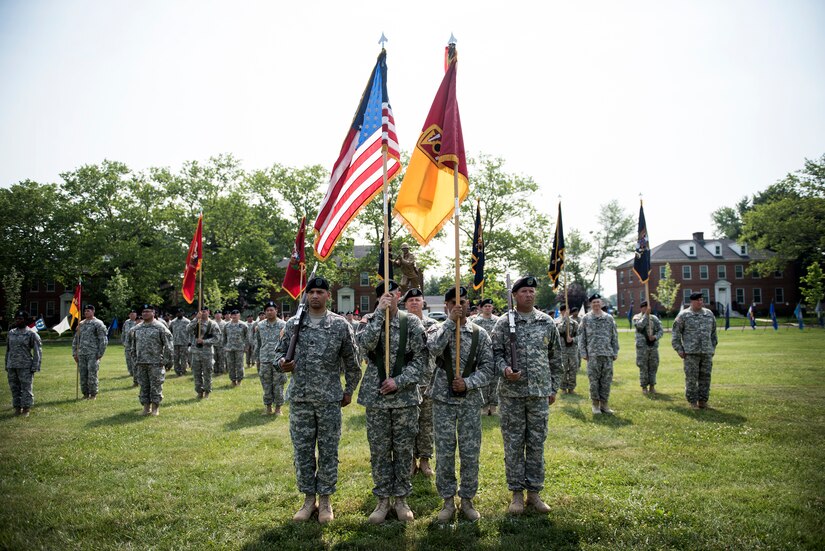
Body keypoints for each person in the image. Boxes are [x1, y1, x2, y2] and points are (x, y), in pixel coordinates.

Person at [275, 277, 362, 524]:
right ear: (306, 296)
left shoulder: (340, 326)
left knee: (328, 451)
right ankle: (307, 499)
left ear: (328, 296)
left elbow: (353, 364)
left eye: (320, 292)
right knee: (302, 451)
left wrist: (349, 391)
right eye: (311, 291)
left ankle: (325, 501)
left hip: (328, 400)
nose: (315, 295)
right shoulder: (293, 324)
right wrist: (283, 364)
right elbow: (277, 355)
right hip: (301, 399)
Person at [356, 279, 427, 524]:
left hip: (404, 398)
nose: (390, 298)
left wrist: (400, 380)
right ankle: (382, 500)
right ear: (378, 298)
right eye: (384, 295)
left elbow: (421, 361)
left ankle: (401, 500)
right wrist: (378, 314)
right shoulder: (369, 321)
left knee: (404, 450)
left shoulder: (412, 322)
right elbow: (364, 345)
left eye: (393, 293)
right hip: (376, 398)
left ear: (399, 295)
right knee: (379, 451)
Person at [491, 275, 562, 515]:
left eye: (532, 291)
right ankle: (516, 495)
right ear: (515, 295)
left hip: (539, 393)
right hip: (512, 394)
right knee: (513, 444)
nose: (529, 295)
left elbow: (555, 357)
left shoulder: (546, 322)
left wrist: (553, 388)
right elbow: (495, 355)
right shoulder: (503, 323)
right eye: (523, 292)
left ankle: (534, 493)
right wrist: (505, 369)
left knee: (536, 443)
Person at [428, 286, 495, 522]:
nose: (459, 306)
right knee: (445, 452)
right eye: (454, 302)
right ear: (446, 305)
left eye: (463, 302)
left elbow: (489, 369)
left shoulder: (479, 334)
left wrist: (468, 383)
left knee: (469, 452)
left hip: (468, 401)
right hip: (443, 400)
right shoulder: (437, 329)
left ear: (469, 305)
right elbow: (433, 349)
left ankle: (467, 499)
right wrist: (449, 322)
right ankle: (447, 501)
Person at [402, 287, 439, 478]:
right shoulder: (400, 324)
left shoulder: (433, 324)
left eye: (417, 300)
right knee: (408, 424)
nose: (414, 303)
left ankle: (424, 460)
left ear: (423, 302)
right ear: (405, 304)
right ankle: (409, 462)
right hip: (407, 382)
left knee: (426, 423)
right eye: (411, 300)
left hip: (428, 381)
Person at [672, 292, 718, 409]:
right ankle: (693, 402)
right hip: (691, 353)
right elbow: (675, 335)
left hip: (706, 352)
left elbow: (713, 333)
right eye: (698, 300)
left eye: (701, 300)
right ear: (691, 301)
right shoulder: (683, 315)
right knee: (691, 378)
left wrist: (712, 348)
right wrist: (679, 349)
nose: (700, 302)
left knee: (705, 377)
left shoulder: (709, 314)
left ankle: (703, 401)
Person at [578, 294, 619, 415]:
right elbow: (581, 337)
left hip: (607, 354)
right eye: (594, 302)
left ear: (601, 303)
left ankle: (604, 405)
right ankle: (595, 405)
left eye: (598, 302)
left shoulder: (609, 318)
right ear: (590, 304)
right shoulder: (586, 318)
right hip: (593, 355)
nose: (596, 304)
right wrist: (583, 352)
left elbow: (614, 336)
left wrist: (615, 351)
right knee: (594, 381)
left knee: (606, 380)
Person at [128, 304, 172, 416]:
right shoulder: (137, 328)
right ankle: (146, 407)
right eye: (143, 312)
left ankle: (155, 408)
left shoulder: (160, 327)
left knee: (156, 386)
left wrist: (166, 361)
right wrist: (135, 360)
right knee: (144, 386)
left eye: (148, 311)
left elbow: (168, 346)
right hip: (141, 362)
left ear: (153, 313)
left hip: (156, 362)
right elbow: (132, 346)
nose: (145, 313)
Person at [4, 310, 42, 417]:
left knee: (26, 388)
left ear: (25, 320)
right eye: (17, 318)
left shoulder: (31, 333)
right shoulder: (11, 333)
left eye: (20, 319)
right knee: (14, 387)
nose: (18, 320)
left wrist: (35, 366)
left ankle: (26, 408)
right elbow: (8, 350)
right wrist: (6, 363)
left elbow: (37, 351)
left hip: (25, 366)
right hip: (12, 365)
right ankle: (17, 407)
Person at [255, 300, 287, 415]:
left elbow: (287, 343)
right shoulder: (260, 326)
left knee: (279, 384)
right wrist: (257, 359)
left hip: (279, 360)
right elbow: (257, 344)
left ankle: (278, 408)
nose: (269, 312)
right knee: (266, 383)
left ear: (276, 311)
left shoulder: (283, 325)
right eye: (267, 310)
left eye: (271, 310)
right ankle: (268, 407)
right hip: (264, 359)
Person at [71, 304, 108, 400]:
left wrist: (100, 353)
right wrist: (75, 353)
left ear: (93, 311)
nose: (86, 312)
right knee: (83, 374)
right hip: (82, 353)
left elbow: (103, 339)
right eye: (85, 311)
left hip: (93, 353)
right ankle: (85, 394)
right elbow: (76, 339)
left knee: (92, 374)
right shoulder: (81, 324)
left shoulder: (98, 323)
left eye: (89, 311)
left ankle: (93, 394)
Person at [472, 298, 500, 414]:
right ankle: (484, 407)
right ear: (481, 308)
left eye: (489, 306)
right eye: (485, 306)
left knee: (495, 381)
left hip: (495, 354)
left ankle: (493, 407)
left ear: (492, 308)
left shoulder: (498, 321)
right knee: (482, 380)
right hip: (481, 355)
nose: (488, 308)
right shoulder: (476, 321)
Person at [188, 307, 221, 399]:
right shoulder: (196, 323)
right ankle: (199, 392)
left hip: (207, 353)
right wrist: (195, 319)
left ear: (208, 312)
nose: (202, 313)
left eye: (204, 311)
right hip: (195, 352)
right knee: (196, 373)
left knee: (207, 373)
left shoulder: (213, 324)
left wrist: (204, 341)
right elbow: (188, 329)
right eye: (201, 312)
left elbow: (217, 338)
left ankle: (207, 391)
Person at [633, 301, 664, 395]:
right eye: (644, 307)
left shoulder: (654, 318)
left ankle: (652, 386)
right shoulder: (637, 317)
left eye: (647, 307)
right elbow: (639, 326)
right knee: (643, 366)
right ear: (641, 308)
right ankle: (644, 387)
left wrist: (655, 337)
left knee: (653, 366)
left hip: (653, 347)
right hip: (642, 347)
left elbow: (660, 331)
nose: (646, 309)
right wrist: (646, 315)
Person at [554, 304, 580, 394]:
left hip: (572, 350)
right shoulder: (556, 322)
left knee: (573, 369)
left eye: (568, 310)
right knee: (563, 369)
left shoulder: (575, 323)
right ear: (561, 312)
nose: (566, 312)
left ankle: (572, 387)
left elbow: (579, 337)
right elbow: (560, 330)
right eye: (564, 311)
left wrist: (573, 339)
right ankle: (563, 387)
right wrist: (565, 320)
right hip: (562, 350)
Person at [223, 309, 249, 387]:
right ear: (231, 316)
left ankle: (239, 380)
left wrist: (246, 346)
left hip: (239, 348)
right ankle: (233, 380)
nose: (234, 316)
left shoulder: (243, 325)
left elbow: (247, 337)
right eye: (233, 315)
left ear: (239, 316)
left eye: (236, 315)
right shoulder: (226, 325)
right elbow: (224, 337)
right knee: (230, 365)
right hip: (229, 348)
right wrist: (224, 346)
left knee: (239, 365)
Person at [168, 308, 190, 376]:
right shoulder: (173, 322)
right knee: (176, 358)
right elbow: (170, 331)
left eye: (180, 312)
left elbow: (190, 332)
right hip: (175, 343)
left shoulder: (187, 321)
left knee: (184, 358)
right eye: (177, 313)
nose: (179, 314)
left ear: (183, 313)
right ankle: (177, 371)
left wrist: (189, 341)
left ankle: (183, 371)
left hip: (184, 342)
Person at [121, 309, 139, 387]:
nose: (132, 315)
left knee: (135, 359)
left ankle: (135, 373)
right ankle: (131, 372)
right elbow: (123, 332)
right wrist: (123, 341)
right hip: (128, 344)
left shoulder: (139, 322)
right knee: (128, 359)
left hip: (135, 344)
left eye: (134, 314)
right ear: (129, 315)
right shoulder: (126, 322)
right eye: (131, 314)